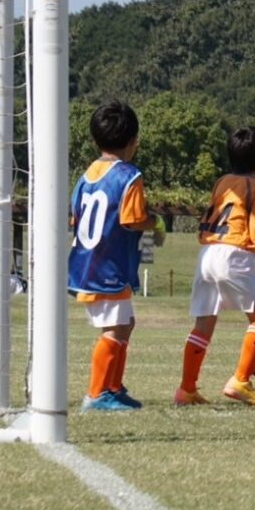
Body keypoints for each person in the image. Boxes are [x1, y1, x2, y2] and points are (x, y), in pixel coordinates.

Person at [175, 126, 255, 407]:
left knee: (203, 323)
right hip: (234, 256)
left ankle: (186, 390)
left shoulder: (222, 181)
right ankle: (241, 381)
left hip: (208, 253)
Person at [67, 100, 163, 411]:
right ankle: (96, 394)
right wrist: (155, 222)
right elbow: (132, 219)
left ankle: (113, 386)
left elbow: (74, 217)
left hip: (86, 262)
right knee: (115, 328)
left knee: (126, 322)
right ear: (134, 141)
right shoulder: (129, 175)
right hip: (107, 265)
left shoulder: (87, 175)